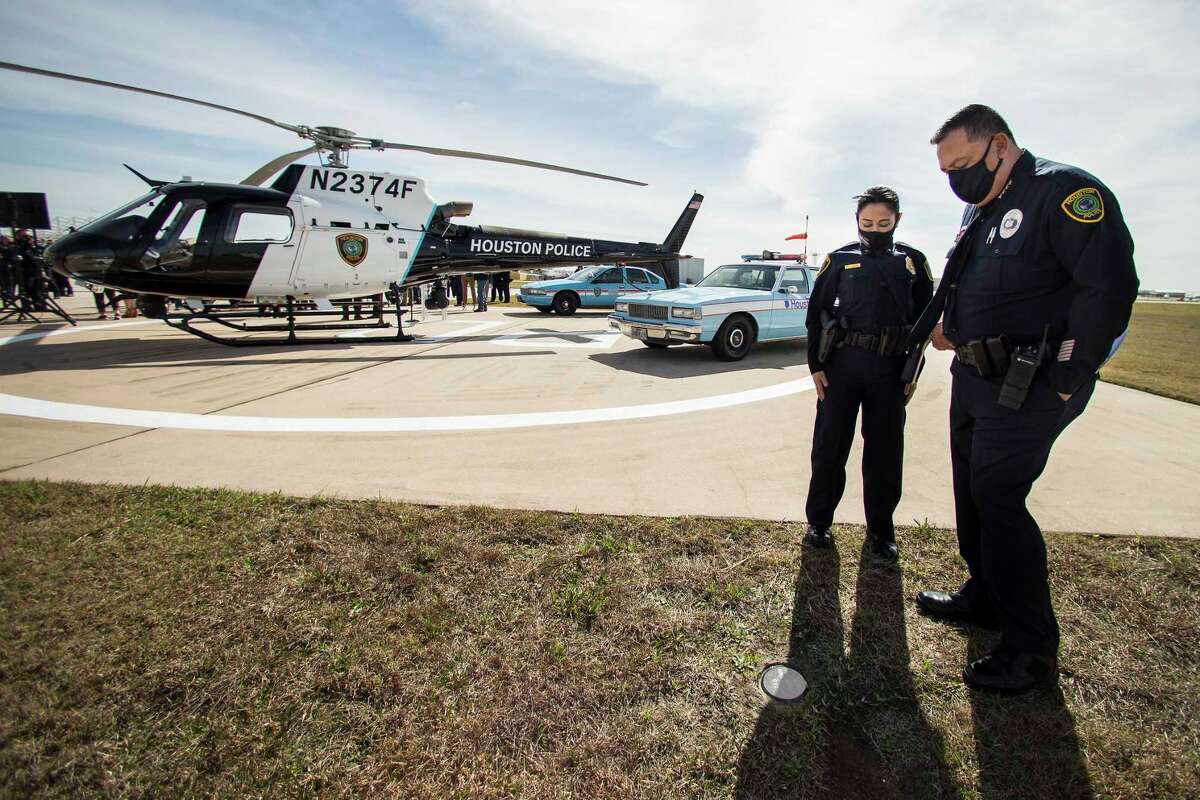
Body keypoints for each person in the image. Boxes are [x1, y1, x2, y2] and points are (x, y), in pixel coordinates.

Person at [909, 104, 1138, 692]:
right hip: (974, 377)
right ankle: (984, 593)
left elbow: (1108, 289)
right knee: (970, 489)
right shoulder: (980, 209)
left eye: (962, 163)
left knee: (999, 498)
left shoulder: (1065, 193)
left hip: (1030, 384)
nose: (956, 178)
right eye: (945, 170)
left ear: (1000, 145)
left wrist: (1068, 376)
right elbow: (976, 284)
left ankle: (1030, 649)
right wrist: (948, 328)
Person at [803, 186, 933, 561]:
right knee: (829, 447)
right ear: (856, 221)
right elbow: (816, 315)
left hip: (890, 371)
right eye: (867, 222)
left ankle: (881, 531)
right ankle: (819, 523)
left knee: (885, 453)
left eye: (884, 223)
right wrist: (816, 367)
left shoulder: (913, 261)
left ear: (897, 221)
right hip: (842, 368)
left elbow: (924, 320)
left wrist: (913, 372)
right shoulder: (839, 260)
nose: (874, 229)